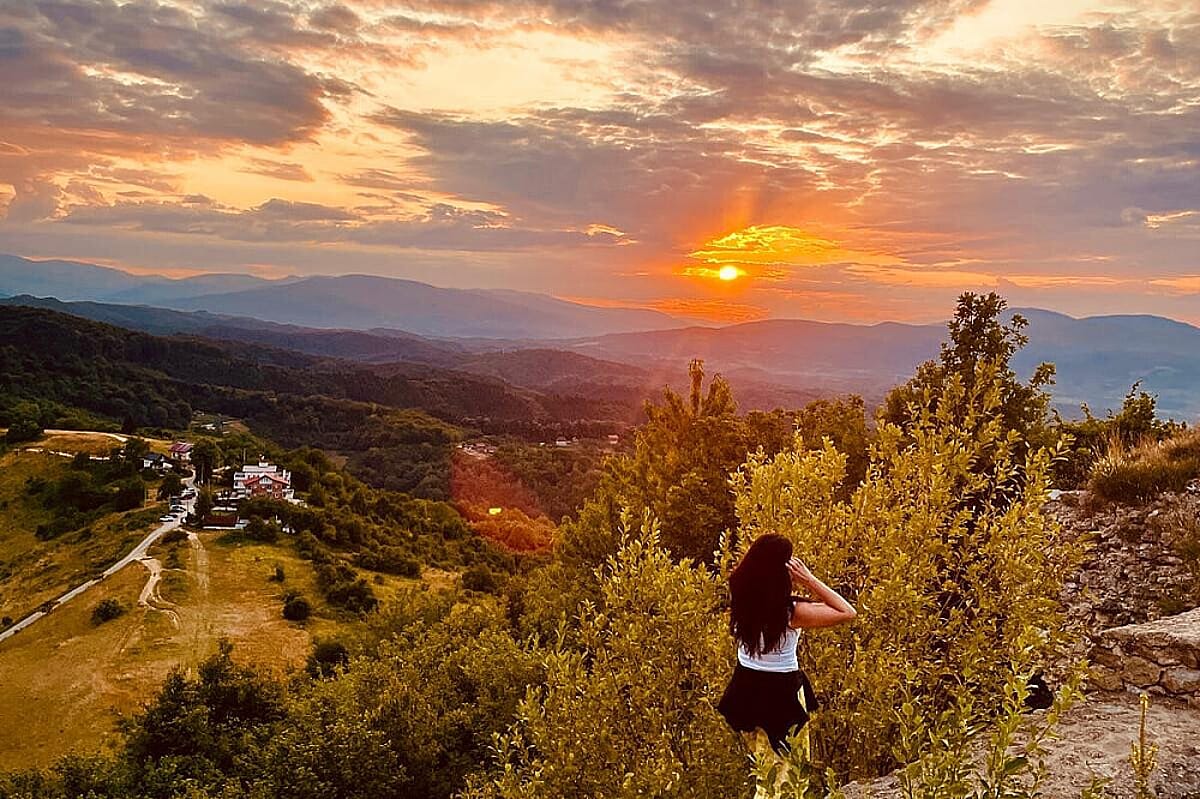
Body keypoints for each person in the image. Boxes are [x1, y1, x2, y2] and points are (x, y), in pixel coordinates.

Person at [717, 533, 856, 757]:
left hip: (745, 687)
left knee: (764, 770)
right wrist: (809, 579)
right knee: (790, 772)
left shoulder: (741, 597)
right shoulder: (790, 613)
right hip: (781, 694)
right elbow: (847, 612)